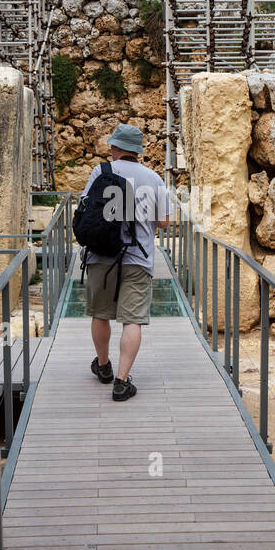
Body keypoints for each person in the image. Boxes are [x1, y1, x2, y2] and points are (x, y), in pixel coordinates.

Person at [82, 123, 172, 402]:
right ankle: (121, 382)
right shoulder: (154, 178)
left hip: (101, 256)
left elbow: (84, 205)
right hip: (138, 258)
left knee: (100, 313)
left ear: (118, 148)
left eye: (112, 145)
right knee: (132, 320)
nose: (110, 149)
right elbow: (165, 223)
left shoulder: (101, 172)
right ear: (138, 151)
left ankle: (104, 365)